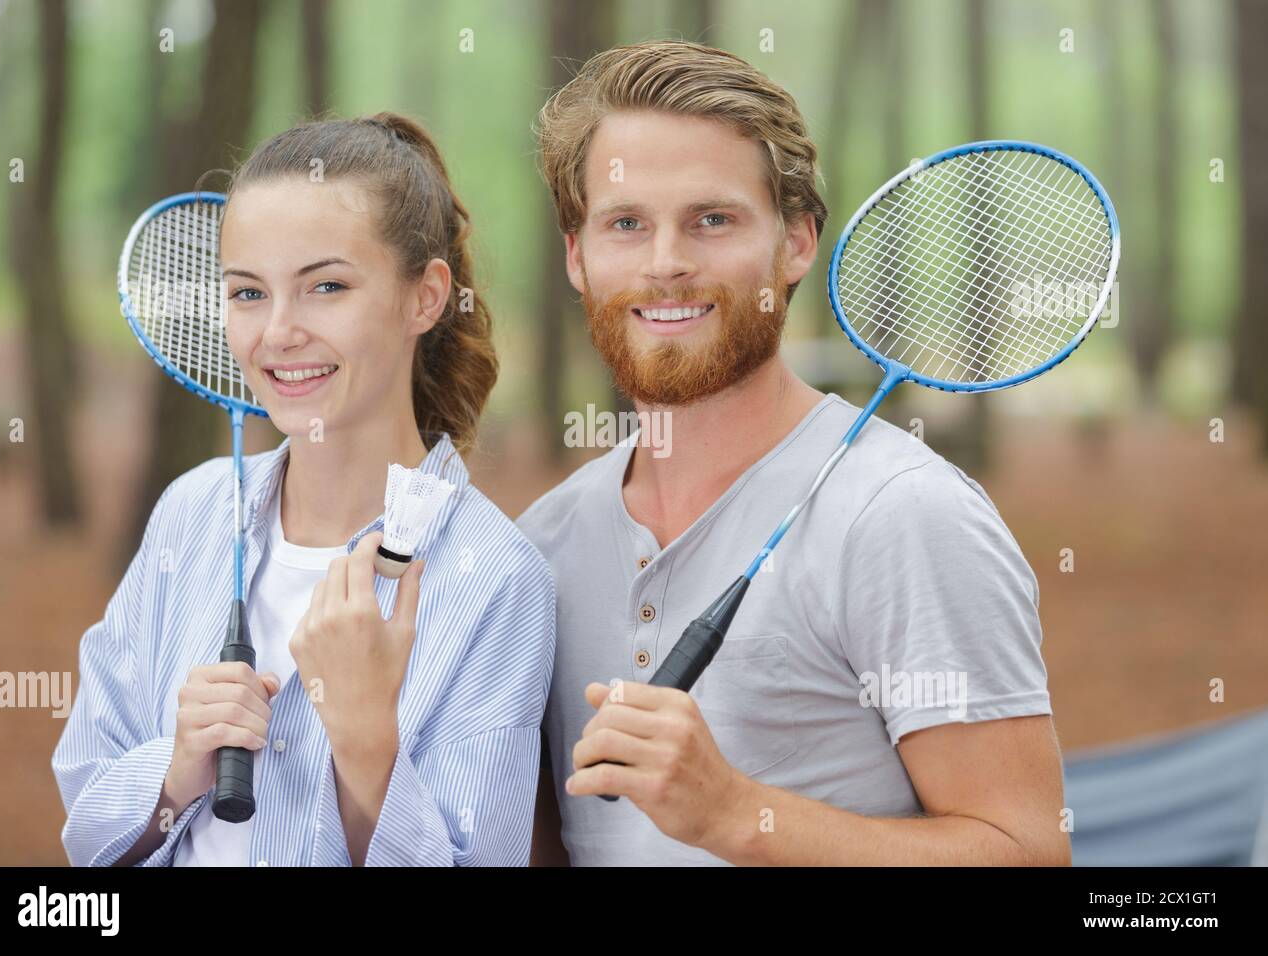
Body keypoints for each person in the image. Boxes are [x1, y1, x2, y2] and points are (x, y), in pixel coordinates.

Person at [520, 41, 1069, 866]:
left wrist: (738, 815)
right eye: (626, 224)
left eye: (713, 219)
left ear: (798, 243)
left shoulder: (903, 515)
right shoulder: (542, 543)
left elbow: (1026, 850)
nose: (666, 262)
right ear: (578, 257)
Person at [53, 113, 555, 867]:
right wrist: (175, 773)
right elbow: (88, 839)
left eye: (326, 286)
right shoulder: (192, 514)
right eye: (248, 294)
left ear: (425, 298)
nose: (279, 332)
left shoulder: (497, 579)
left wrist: (365, 743)